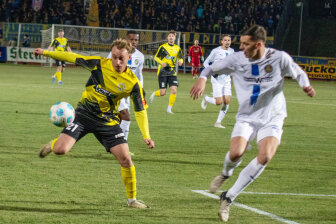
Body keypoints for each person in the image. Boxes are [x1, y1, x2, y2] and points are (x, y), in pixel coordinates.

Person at [190, 25, 315, 222]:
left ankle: (228, 197)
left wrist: (305, 85)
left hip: (273, 116)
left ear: (258, 45)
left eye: (245, 44)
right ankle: (225, 174)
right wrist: (202, 79)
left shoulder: (279, 58)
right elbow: (209, 68)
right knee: (236, 153)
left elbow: (298, 72)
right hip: (247, 115)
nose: (241, 47)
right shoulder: (237, 59)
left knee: (265, 156)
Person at [35, 38, 155, 209]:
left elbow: (140, 111)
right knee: (60, 150)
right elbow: (72, 57)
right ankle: (52, 144)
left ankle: (132, 200)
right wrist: (46, 52)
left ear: (129, 58)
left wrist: (146, 136)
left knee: (126, 159)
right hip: (83, 114)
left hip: (107, 121)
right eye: (114, 57)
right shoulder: (99, 64)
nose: (117, 61)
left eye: (121, 58)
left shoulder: (133, 83)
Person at [107, 30, 144, 141]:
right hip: (115, 89)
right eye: (131, 39)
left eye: (136, 40)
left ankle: (115, 143)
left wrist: (140, 90)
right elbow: (107, 69)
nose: (133, 42)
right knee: (126, 116)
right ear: (126, 39)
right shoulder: (117, 52)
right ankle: (123, 145)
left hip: (128, 91)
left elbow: (139, 75)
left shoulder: (140, 56)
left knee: (120, 119)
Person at [201, 35, 234, 128]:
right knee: (219, 102)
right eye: (225, 40)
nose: (227, 42)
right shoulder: (216, 51)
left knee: (227, 101)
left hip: (227, 79)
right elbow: (206, 62)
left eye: (229, 40)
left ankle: (218, 122)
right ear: (221, 42)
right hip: (217, 79)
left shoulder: (232, 51)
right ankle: (206, 98)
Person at [149, 30, 183, 114]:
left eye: (173, 36)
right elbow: (156, 57)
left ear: (175, 38)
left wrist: (181, 61)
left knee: (174, 90)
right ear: (167, 37)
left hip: (172, 71)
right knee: (162, 92)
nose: (171, 37)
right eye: (170, 36)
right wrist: (162, 63)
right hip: (163, 71)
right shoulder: (163, 47)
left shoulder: (177, 48)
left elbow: (181, 58)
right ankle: (154, 94)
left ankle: (169, 109)